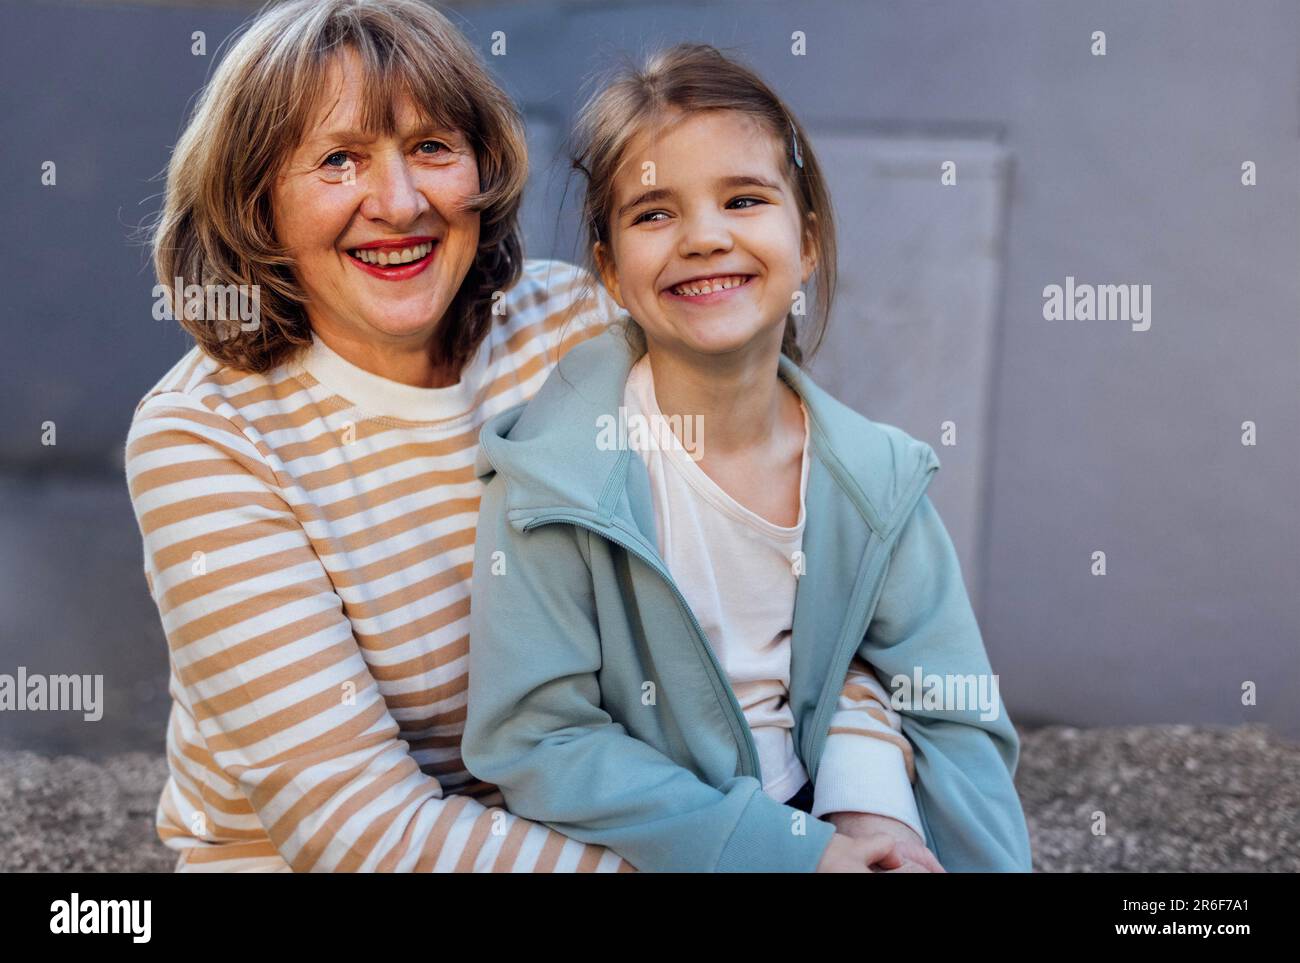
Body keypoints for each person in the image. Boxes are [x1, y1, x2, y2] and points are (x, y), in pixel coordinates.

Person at [462, 44, 1033, 873]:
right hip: (666, 851)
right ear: (611, 270)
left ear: (805, 246)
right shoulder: (555, 482)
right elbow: (538, 737)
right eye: (654, 212)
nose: (704, 236)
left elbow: (953, 714)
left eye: (743, 198)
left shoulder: (879, 481)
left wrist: (885, 828)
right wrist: (791, 852)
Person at [124, 0, 634, 872]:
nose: (399, 204)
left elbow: (768, 575)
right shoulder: (203, 437)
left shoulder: (572, 326)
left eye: (433, 147)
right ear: (257, 205)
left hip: (589, 818)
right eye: (337, 160)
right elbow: (364, 831)